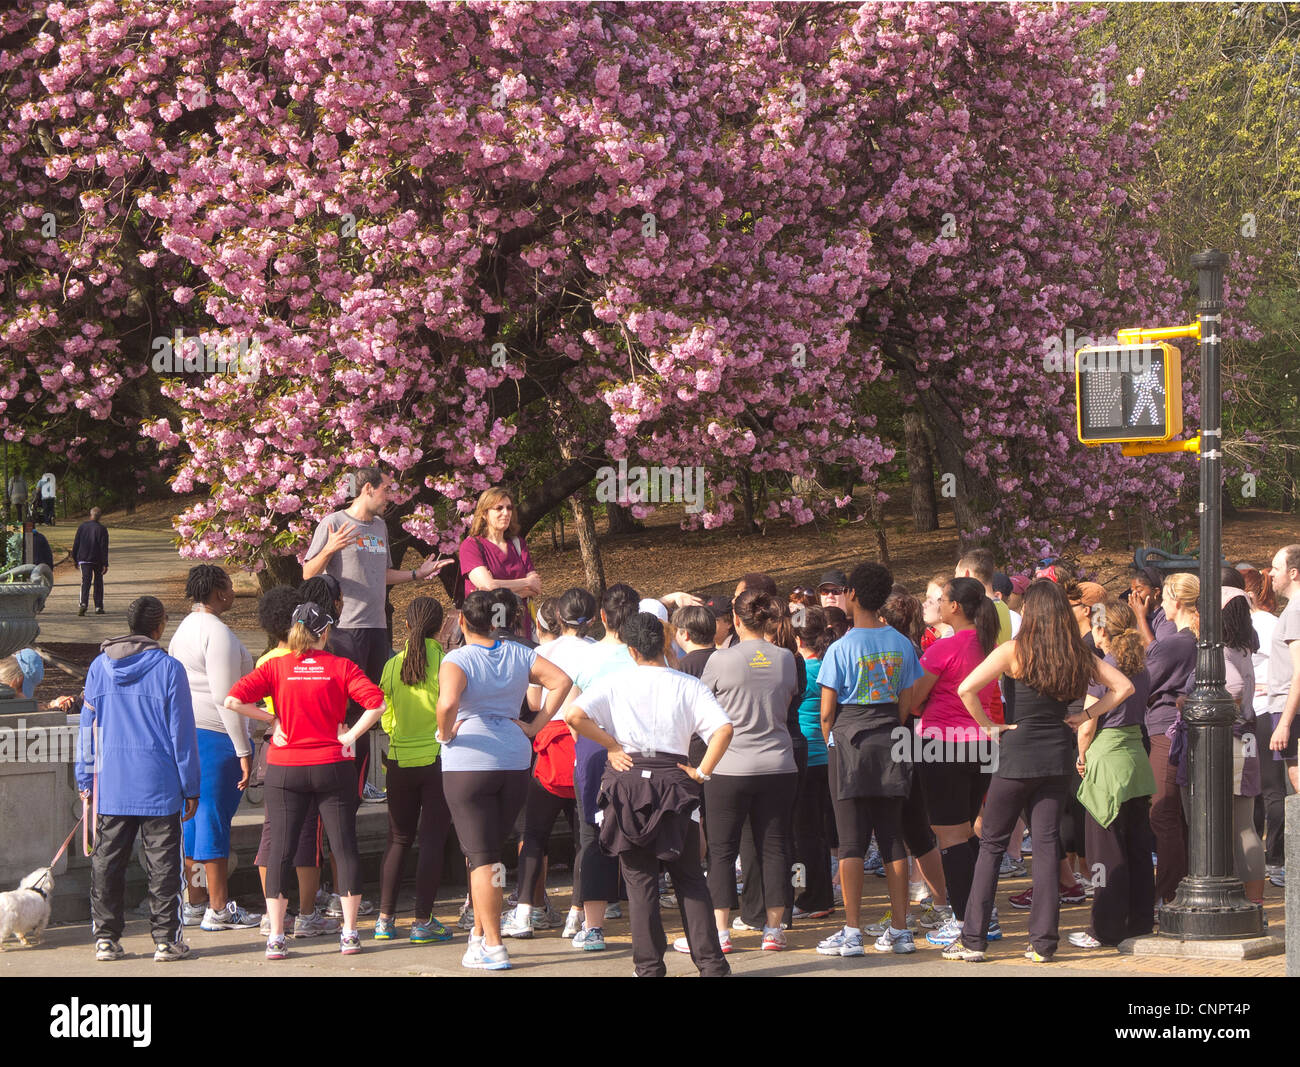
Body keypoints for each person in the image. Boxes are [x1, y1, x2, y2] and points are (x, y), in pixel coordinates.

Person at [944, 580, 1133, 963]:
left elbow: (966, 688)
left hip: (1017, 756)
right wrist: (1084, 715)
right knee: (1047, 846)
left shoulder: (1013, 650)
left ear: (1029, 613)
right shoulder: (1077, 654)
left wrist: (987, 726)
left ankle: (973, 938)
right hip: (1058, 758)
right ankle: (1043, 943)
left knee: (992, 845)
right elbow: (1123, 686)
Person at [566, 612, 735, 977]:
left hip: (627, 781)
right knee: (689, 875)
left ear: (630, 649)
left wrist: (611, 745)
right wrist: (702, 771)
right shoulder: (687, 684)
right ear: (664, 642)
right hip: (674, 781)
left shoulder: (615, 682)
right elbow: (723, 728)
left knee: (639, 881)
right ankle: (711, 965)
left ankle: (649, 968)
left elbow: (574, 715)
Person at [224, 602, 388, 959]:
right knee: (343, 846)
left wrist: (272, 721)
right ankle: (349, 933)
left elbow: (233, 699)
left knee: (281, 849)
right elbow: (377, 703)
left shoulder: (278, 666)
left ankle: (277, 936)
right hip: (332, 763)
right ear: (326, 633)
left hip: (286, 767)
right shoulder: (341, 666)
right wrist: (350, 737)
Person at [435, 590, 571, 970]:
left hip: (468, 761)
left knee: (482, 856)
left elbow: (447, 705)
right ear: (501, 622)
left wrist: (444, 733)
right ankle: (479, 935)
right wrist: (536, 726)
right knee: (487, 852)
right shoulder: (520, 653)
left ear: (463, 621)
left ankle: (494, 944)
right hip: (513, 758)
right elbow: (561, 681)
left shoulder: (457, 657)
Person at [303, 466, 450, 810]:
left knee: (376, 705)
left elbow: (381, 574)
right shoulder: (333, 523)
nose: (391, 497)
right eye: (387, 490)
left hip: (377, 627)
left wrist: (417, 574)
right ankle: (343, 782)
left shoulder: (381, 527)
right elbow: (308, 573)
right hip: (345, 630)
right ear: (367, 489)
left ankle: (367, 781)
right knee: (349, 708)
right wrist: (330, 549)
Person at [77, 596, 200, 963]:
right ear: (159, 626)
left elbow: (88, 729)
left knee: (106, 862)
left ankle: (105, 938)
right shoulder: (169, 669)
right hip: (159, 783)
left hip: (111, 784)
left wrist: (85, 778)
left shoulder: (99, 667)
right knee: (164, 865)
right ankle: (166, 939)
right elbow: (182, 734)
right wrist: (191, 785)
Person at [816, 562, 924, 957]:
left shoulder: (841, 648)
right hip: (891, 739)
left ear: (854, 596)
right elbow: (907, 702)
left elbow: (827, 712)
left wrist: (834, 741)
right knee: (893, 837)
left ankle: (851, 931)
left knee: (851, 842)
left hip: (849, 742)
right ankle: (900, 929)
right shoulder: (901, 643)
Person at [694, 590, 800, 952]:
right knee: (775, 847)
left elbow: (700, 706)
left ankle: (721, 931)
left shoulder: (721, 660)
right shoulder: (786, 658)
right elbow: (786, 701)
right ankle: (774, 928)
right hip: (779, 764)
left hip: (728, 767)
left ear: (735, 621)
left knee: (722, 851)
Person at [908, 577, 1003, 948]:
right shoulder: (990, 645)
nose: (937, 603)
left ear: (956, 608)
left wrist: (921, 707)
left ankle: (966, 920)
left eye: (941, 599)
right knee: (966, 833)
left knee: (950, 837)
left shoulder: (943, 649)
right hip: (981, 745)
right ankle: (983, 915)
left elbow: (916, 698)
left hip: (943, 747)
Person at [167, 565, 260, 932]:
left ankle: (195, 902)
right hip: (218, 735)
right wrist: (243, 749)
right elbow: (227, 699)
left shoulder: (183, 629)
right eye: (231, 586)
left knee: (194, 818)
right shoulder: (216, 633)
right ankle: (219, 908)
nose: (234, 592)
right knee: (212, 820)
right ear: (220, 592)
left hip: (190, 734)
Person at [505, 587, 597, 939]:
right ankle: (579, 913)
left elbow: (532, 698)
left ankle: (525, 910)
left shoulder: (544, 651)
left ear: (558, 619)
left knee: (534, 834)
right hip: (589, 744)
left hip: (549, 747)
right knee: (585, 837)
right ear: (594, 616)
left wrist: (534, 724)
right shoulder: (599, 652)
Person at [248, 586, 339, 939]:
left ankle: (274, 914)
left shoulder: (266, 660)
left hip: (274, 750)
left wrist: (273, 722)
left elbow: (242, 699)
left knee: (272, 834)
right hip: (310, 750)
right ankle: (305, 912)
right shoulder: (312, 662)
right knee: (307, 835)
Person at [1069, 599, 1156, 948]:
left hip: (1106, 758)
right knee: (1137, 845)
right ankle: (1139, 919)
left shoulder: (1104, 667)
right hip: (1136, 756)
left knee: (1105, 850)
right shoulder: (1141, 666)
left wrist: (1081, 754)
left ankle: (1104, 927)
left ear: (1102, 629)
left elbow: (1088, 723)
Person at [559, 583, 641, 951]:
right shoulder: (646, 654)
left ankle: (593, 928)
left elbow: (571, 713)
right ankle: (644, 919)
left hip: (594, 749)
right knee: (640, 831)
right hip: (638, 748)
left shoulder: (588, 658)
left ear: (602, 617)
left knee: (592, 835)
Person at [375, 597, 454, 943]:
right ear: (441, 627)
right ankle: (422, 921)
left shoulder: (392, 666)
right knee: (432, 840)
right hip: (437, 759)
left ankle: (384, 920)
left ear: (405, 626)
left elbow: (385, 713)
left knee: (398, 839)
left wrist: (400, 736)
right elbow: (451, 708)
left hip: (398, 761)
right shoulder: (446, 662)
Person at [1145, 573, 1199, 903]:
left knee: (1163, 813)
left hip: (1167, 730)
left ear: (1176, 602)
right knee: (1176, 815)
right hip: (1174, 728)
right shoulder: (1193, 640)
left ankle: (1168, 896)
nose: (1161, 605)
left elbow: (1142, 682)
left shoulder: (1178, 643)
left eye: (1164, 598)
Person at [791, 605, 835, 919]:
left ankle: (808, 897)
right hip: (828, 758)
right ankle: (821, 896)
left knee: (802, 835)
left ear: (796, 637)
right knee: (818, 831)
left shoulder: (802, 670)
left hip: (805, 758)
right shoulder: (830, 666)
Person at [1242, 565, 1285, 885]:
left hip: (1265, 713)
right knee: (1252, 789)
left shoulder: (1268, 623)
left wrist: (1266, 685)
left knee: (1270, 788)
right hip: (1246, 716)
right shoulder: (1240, 622)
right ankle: (1259, 854)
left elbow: (1287, 666)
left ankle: (1276, 857)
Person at [458, 487, 542, 640]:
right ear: (484, 513)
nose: (506, 512)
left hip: (521, 628)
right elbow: (489, 586)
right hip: (487, 631)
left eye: (509, 508)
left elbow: (536, 587)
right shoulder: (471, 546)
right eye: (499, 508)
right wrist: (525, 583)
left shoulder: (518, 544)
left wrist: (497, 589)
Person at [1263, 544, 1300, 885]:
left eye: (1275, 567)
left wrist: (1285, 721)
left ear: (1293, 572)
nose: (1269, 573)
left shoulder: (1295, 610)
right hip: (1282, 704)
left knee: (1296, 781)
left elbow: (1299, 671)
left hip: (1288, 711)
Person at [72, 507, 109, 616]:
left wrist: (75, 558)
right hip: (97, 559)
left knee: (85, 582)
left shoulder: (82, 527)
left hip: (84, 559)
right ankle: (98, 606)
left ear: (90, 515)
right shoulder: (102, 529)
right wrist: (105, 563)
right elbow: (104, 547)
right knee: (98, 582)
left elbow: (76, 543)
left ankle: (83, 603)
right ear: (100, 517)